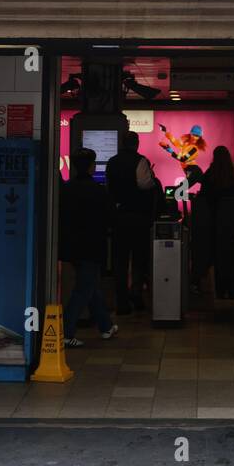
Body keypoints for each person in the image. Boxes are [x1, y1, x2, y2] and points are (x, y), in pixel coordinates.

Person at [59, 147, 118, 348]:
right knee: (84, 289)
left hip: (70, 247)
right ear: (92, 167)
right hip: (92, 246)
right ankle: (66, 332)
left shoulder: (66, 189)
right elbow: (111, 218)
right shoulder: (99, 191)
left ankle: (106, 326)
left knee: (90, 286)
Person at [106, 130, 157, 313]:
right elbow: (145, 184)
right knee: (138, 258)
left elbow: (109, 187)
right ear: (136, 144)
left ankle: (121, 302)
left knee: (120, 260)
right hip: (138, 216)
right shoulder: (140, 160)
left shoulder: (111, 162)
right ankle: (136, 294)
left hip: (119, 217)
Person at [201, 145, 234, 300]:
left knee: (217, 258)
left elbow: (203, 200)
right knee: (232, 258)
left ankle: (220, 290)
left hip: (214, 226)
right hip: (232, 227)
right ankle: (232, 289)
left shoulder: (209, 176)